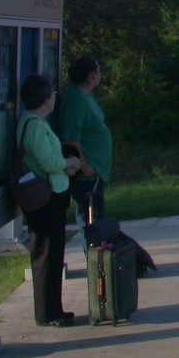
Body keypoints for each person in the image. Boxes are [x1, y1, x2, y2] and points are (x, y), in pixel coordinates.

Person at [18, 74, 81, 327]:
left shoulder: (37, 122)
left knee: (54, 254)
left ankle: (54, 309)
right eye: (52, 94)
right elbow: (47, 162)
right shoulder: (33, 125)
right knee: (46, 254)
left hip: (53, 193)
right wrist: (70, 162)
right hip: (45, 198)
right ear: (45, 99)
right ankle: (47, 313)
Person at [52, 56, 112, 242]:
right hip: (87, 174)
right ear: (92, 74)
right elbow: (71, 137)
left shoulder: (86, 95)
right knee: (90, 219)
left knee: (98, 218)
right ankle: (94, 255)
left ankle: (99, 253)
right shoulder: (76, 99)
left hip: (96, 170)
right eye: (98, 70)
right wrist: (83, 165)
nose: (99, 74)